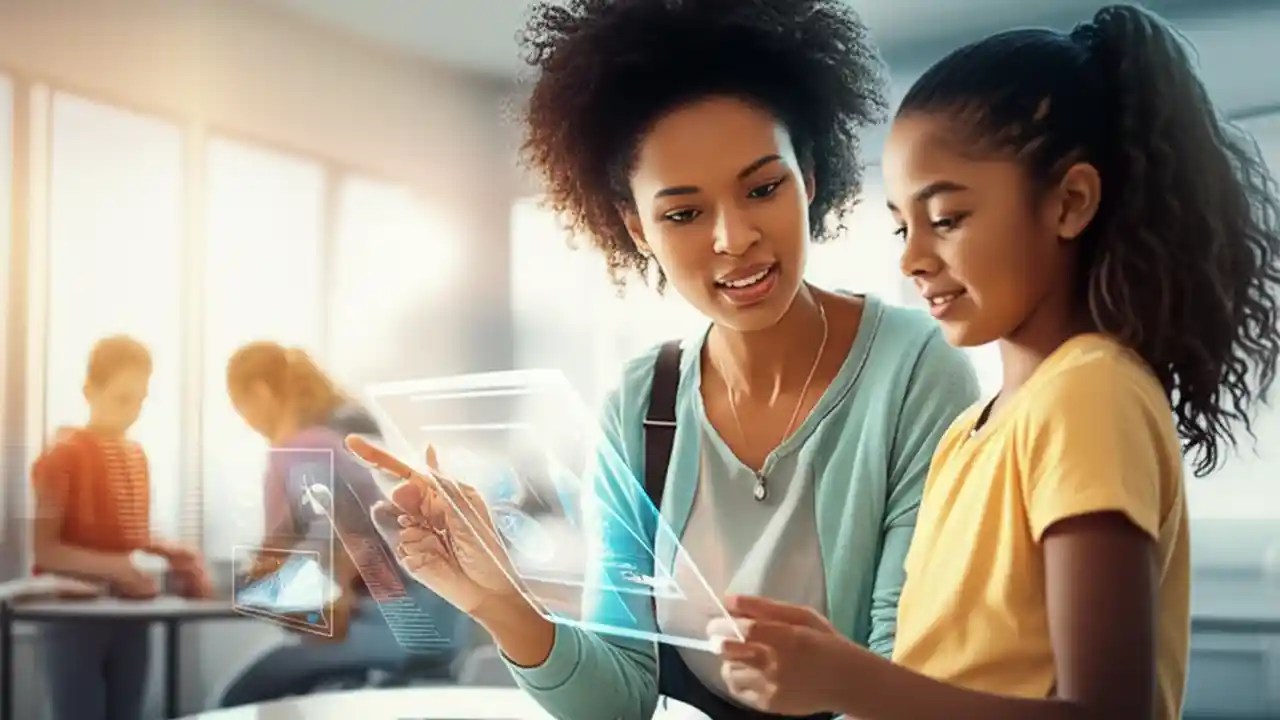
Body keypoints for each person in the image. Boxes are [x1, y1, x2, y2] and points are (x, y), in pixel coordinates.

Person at [355, 2, 979, 719]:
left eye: (763, 188)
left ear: (808, 176)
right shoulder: (643, 401)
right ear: (636, 228)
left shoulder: (917, 368)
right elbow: (617, 700)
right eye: (683, 213)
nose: (733, 237)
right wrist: (497, 600)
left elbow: (905, 671)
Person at [705, 5, 1280, 720]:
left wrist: (852, 682)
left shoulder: (1090, 394)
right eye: (901, 225)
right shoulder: (970, 433)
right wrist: (835, 671)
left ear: (1070, 202)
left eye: (946, 218)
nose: (913, 258)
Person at [217, 341, 467, 707]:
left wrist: (334, 593)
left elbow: (344, 524)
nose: (245, 422)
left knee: (237, 697)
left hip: (402, 622)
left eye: (241, 407)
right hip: (438, 618)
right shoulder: (338, 437)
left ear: (260, 393)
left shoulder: (299, 449)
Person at [30, 335, 212, 720]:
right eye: (122, 398)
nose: (133, 411)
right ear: (89, 391)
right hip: (72, 615)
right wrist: (118, 567)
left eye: (141, 400)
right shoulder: (63, 454)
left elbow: (131, 535)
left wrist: (170, 552)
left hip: (128, 612)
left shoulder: (135, 455)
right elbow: (46, 550)